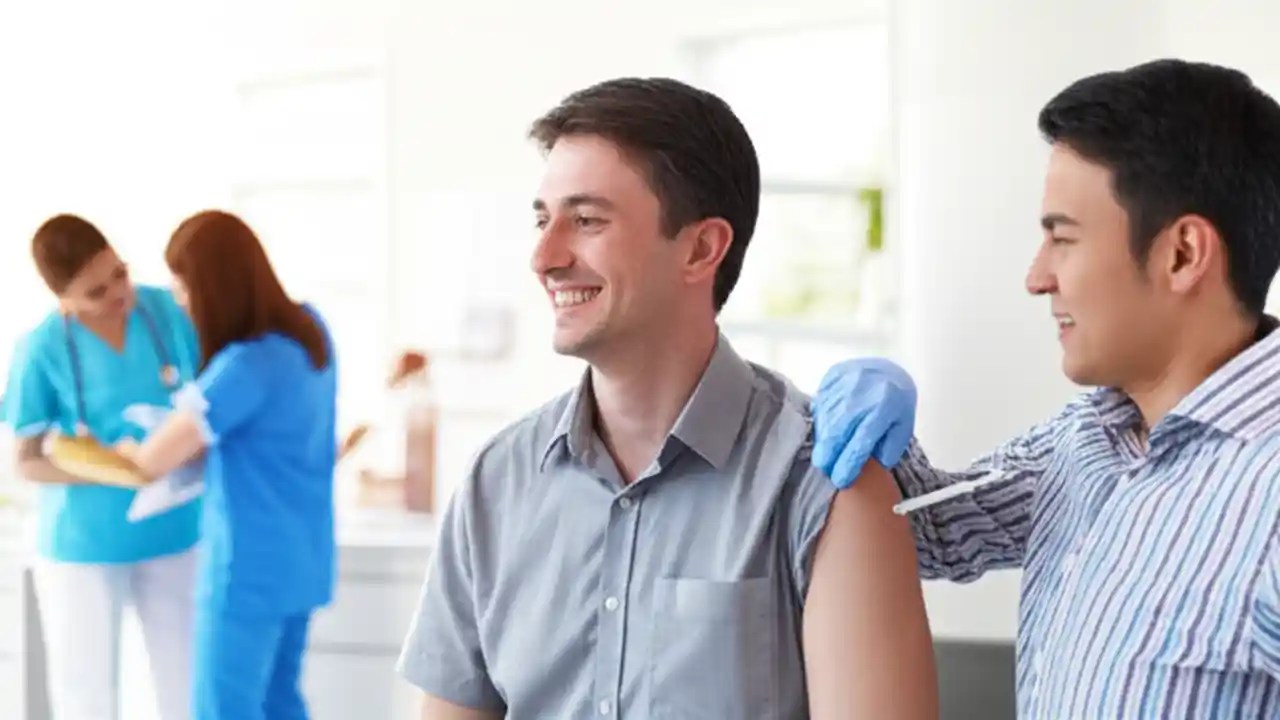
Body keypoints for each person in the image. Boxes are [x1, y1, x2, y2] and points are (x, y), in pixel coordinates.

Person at [396, 77, 937, 719]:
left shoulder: (827, 487)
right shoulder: (497, 483)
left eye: (587, 220)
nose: (544, 257)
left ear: (701, 249)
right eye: (543, 220)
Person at [811, 58, 1280, 718]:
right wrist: (869, 429)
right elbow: (933, 530)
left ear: (1182, 254)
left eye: (1063, 239)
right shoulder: (1088, 436)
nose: (1036, 278)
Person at [115, 210, 338, 720]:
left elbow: (153, 460)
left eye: (184, 286)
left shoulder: (245, 365)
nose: (181, 300)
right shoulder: (312, 332)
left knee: (223, 711)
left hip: (247, 569)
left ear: (213, 286)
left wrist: (127, 452)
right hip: (303, 561)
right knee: (281, 705)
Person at [2, 214, 201, 720]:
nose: (118, 294)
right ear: (63, 298)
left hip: (174, 531)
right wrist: (111, 469)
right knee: (86, 699)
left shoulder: (166, 311)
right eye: (95, 292)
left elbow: (209, 401)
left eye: (119, 273)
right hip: (83, 543)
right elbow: (27, 461)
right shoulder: (41, 348)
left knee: (189, 691)